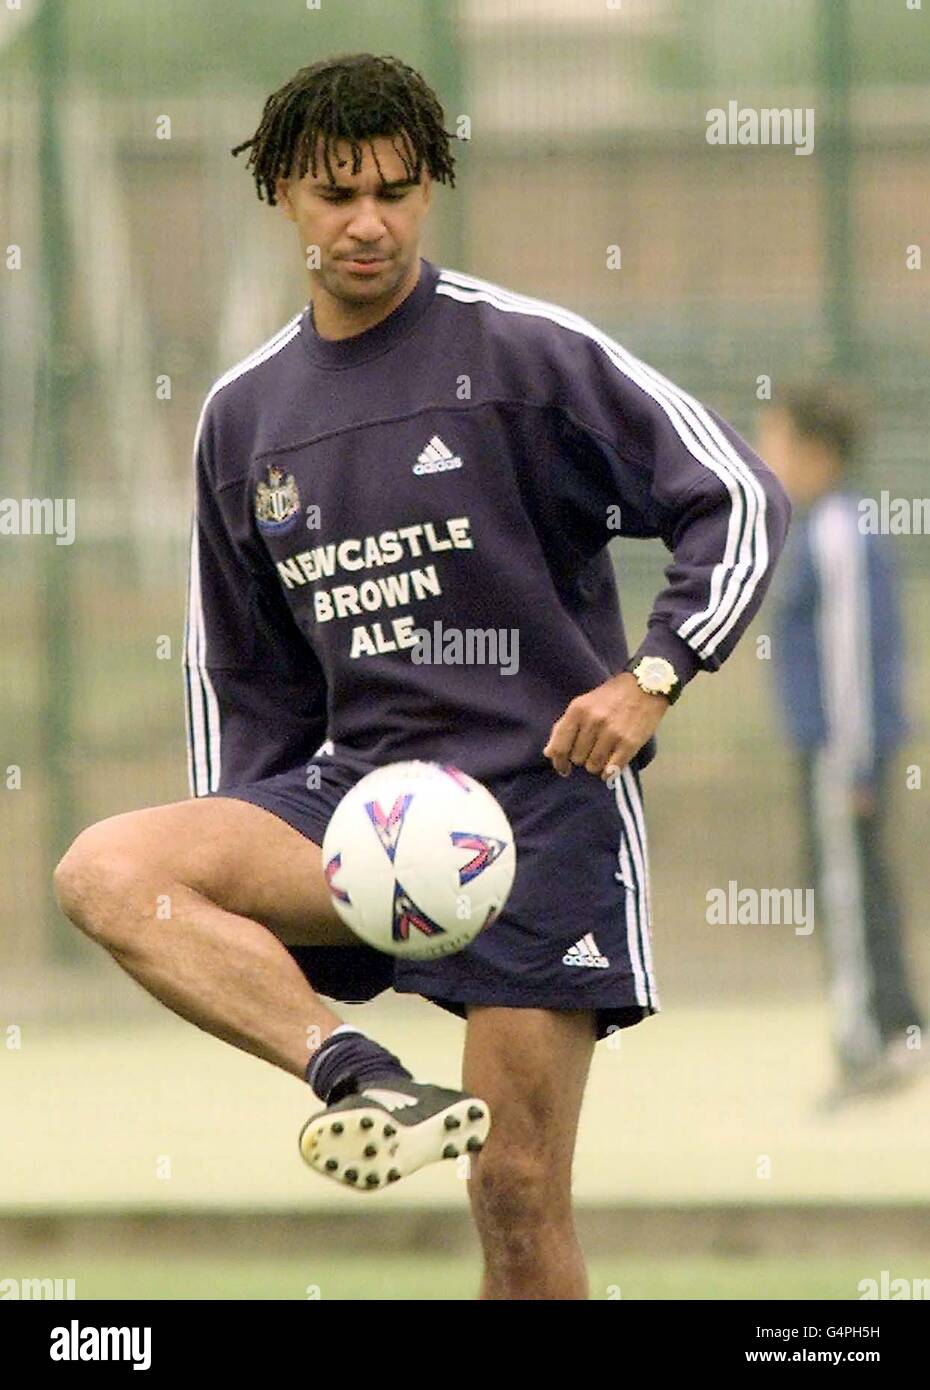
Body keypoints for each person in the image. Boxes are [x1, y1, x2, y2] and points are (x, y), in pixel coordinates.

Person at [54, 53, 790, 1300]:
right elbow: (241, 669)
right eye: (338, 193)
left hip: (539, 805)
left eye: (398, 190)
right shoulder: (243, 416)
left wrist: (653, 673)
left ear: (431, 190)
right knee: (107, 870)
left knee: (511, 1194)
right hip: (354, 812)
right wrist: (263, 866)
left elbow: (734, 496)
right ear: (284, 192)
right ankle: (350, 1068)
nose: (369, 221)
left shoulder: (523, 354)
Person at [758, 383, 926, 1107]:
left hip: (839, 755)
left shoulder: (836, 532)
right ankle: (901, 1028)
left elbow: (852, 656)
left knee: (848, 893)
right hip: (835, 752)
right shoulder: (825, 525)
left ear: (819, 454)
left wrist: (851, 763)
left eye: (779, 442)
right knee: (861, 886)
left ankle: (865, 1045)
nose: (769, 457)